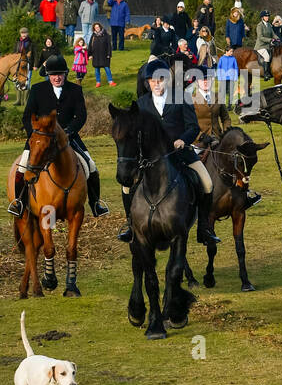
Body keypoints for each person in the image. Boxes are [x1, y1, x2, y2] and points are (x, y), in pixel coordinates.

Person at [121, 60, 219, 244]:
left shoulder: (182, 97)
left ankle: (204, 228)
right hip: (150, 158)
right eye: (152, 81)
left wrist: (183, 139)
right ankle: (130, 225)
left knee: (207, 183)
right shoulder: (141, 104)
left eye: (160, 80)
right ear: (148, 83)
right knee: (126, 187)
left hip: (180, 153)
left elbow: (193, 127)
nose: (156, 84)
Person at [9, 53, 111, 218]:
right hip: (40, 138)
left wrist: (69, 131)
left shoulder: (75, 90)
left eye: (60, 74)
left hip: (69, 138)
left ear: (65, 74)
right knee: (22, 166)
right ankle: (19, 202)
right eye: (53, 75)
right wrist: (34, 135)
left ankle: (95, 203)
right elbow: (27, 116)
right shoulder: (37, 90)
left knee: (91, 165)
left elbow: (81, 115)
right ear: (48, 75)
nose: (57, 78)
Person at [253, 10, 276, 76]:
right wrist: (270, 40)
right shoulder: (259, 25)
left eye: (268, 16)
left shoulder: (269, 25)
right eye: (266, 16)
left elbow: (273, 34)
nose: (267, 17)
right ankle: (266, 73)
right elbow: (260, 37)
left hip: (268, 46)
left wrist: (277, 39)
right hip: (260, 46)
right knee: (267, 56)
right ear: (262, 17)